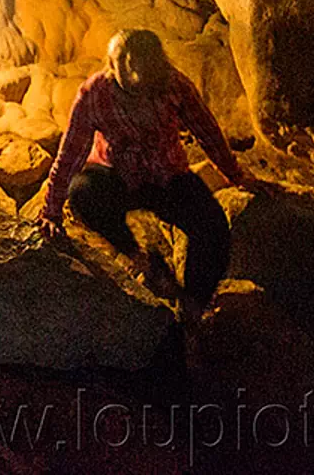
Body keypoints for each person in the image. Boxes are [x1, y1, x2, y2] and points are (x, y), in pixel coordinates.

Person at [38, 29, 267, 317]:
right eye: (130, 82)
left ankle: (193, 303)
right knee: (84, 192)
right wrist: (51, 211)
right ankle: (141, 261)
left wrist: (235, 175)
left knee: (213, 226)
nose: (138, 89)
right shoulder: (94, 94)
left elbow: (206, 131)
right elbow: (71, 153)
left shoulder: (174, 85)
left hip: (166, 176)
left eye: (146, 81)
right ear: (113, 67)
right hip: (118, 176)